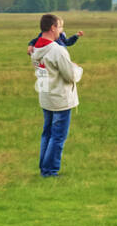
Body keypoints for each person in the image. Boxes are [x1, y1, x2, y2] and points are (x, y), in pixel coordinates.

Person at [30, 14, 82, 178]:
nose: (61, 30)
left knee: (47, 134)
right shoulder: (57, 50)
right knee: (58, 137)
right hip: (60, 98)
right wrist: (78, 69)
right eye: (59, 27)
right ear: (52, 28)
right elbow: (70, 76)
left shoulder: (35, 48)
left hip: (46, 96)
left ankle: (44, 168)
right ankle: (50, 171)